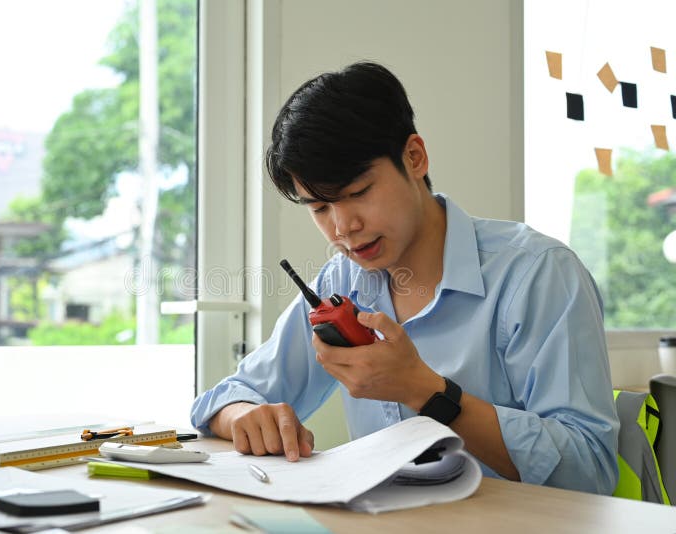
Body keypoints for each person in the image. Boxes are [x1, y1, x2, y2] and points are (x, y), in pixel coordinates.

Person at [190, 61, 619, 494]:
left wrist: (426, 391)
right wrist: (245, 415)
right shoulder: (342, 280)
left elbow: (590, 469)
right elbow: (226, 396)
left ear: (414, 157)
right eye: (319, 208)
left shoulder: (538, 273)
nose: (342, 227)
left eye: (358, 193)